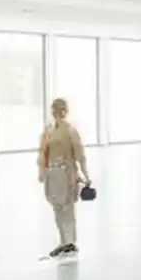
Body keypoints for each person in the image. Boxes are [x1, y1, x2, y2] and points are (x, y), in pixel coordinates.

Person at [38, 98, 89, 258]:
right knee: (57, 207)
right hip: (52, 173)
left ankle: (69, 241)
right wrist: (42, 170)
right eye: (54, 109)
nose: (56, 112)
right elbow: (42, 152)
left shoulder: (70, 131)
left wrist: (85, 175)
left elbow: (80, 155)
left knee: (67, 207)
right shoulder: (49, 130)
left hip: (66, 172)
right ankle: (63, 239)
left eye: (59, 109)